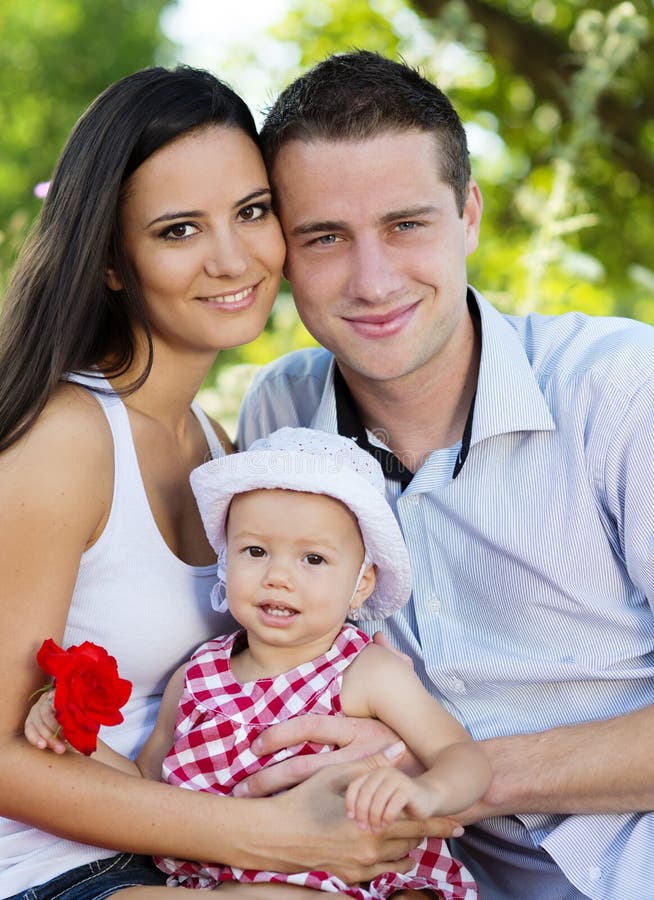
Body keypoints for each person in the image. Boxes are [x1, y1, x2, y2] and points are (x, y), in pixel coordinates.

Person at [0, 64, 446, 900]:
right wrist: (269, 838)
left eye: (251, 212)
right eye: (178, 230)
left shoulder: (220, 446)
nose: (234, 256)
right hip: (53, 870)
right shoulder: (67, 439)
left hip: (184, 854)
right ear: (109, 260)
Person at [236, 50, 654, 900]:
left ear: (467, 215)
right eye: (324, 237)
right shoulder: (278, 417)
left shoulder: (621, 389)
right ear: (282, 253)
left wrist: (446, 773)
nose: (373, 279)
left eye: (406, 224)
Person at [26, 426, 491, 899]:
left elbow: (461, 755)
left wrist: (428, 793)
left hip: (360, 876)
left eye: (313, 558)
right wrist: (76, 735)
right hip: (232, 877)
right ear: (225, 561)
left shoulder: (364, 672)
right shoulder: (197, 677)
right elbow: (150, 784)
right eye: (255, 551)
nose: (278, 577)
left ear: (362, 583)